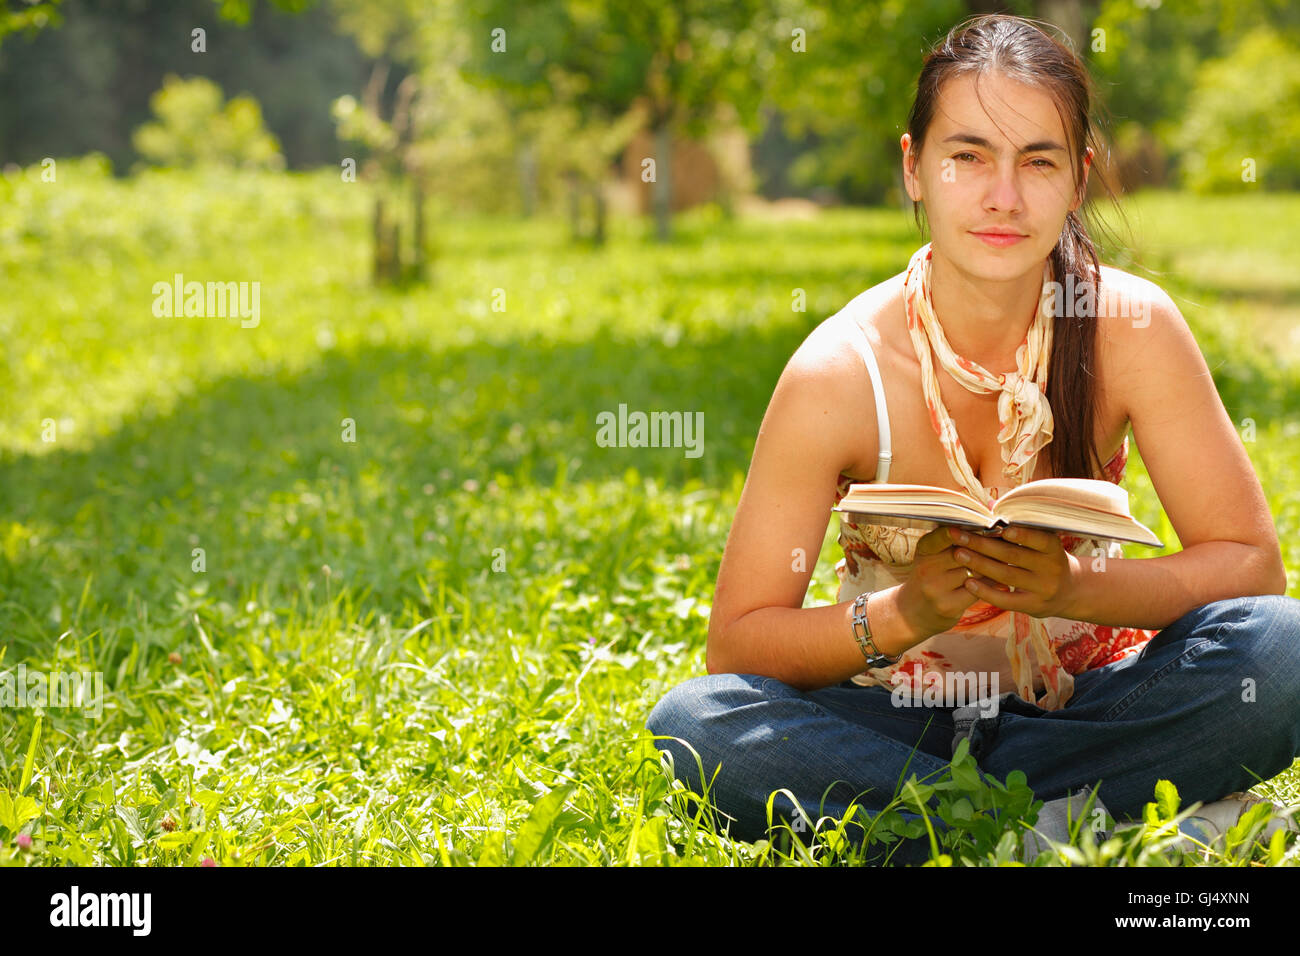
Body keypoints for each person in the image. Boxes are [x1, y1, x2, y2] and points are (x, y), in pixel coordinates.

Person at [645, 13, 1300, 864]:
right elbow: (738, 644)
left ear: (1079, 179)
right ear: (913, 168)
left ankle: (972, 826)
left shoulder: (1129, 327)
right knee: (694, 725)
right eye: (968, 156)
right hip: (896, 723)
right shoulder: (839, 372)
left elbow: (1251, 568)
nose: (1003, 197)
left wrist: (1071, 589)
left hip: (1089, 706)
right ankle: (1080, 825)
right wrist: (906, 612)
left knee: (1282, 651)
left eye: (1038, 161)